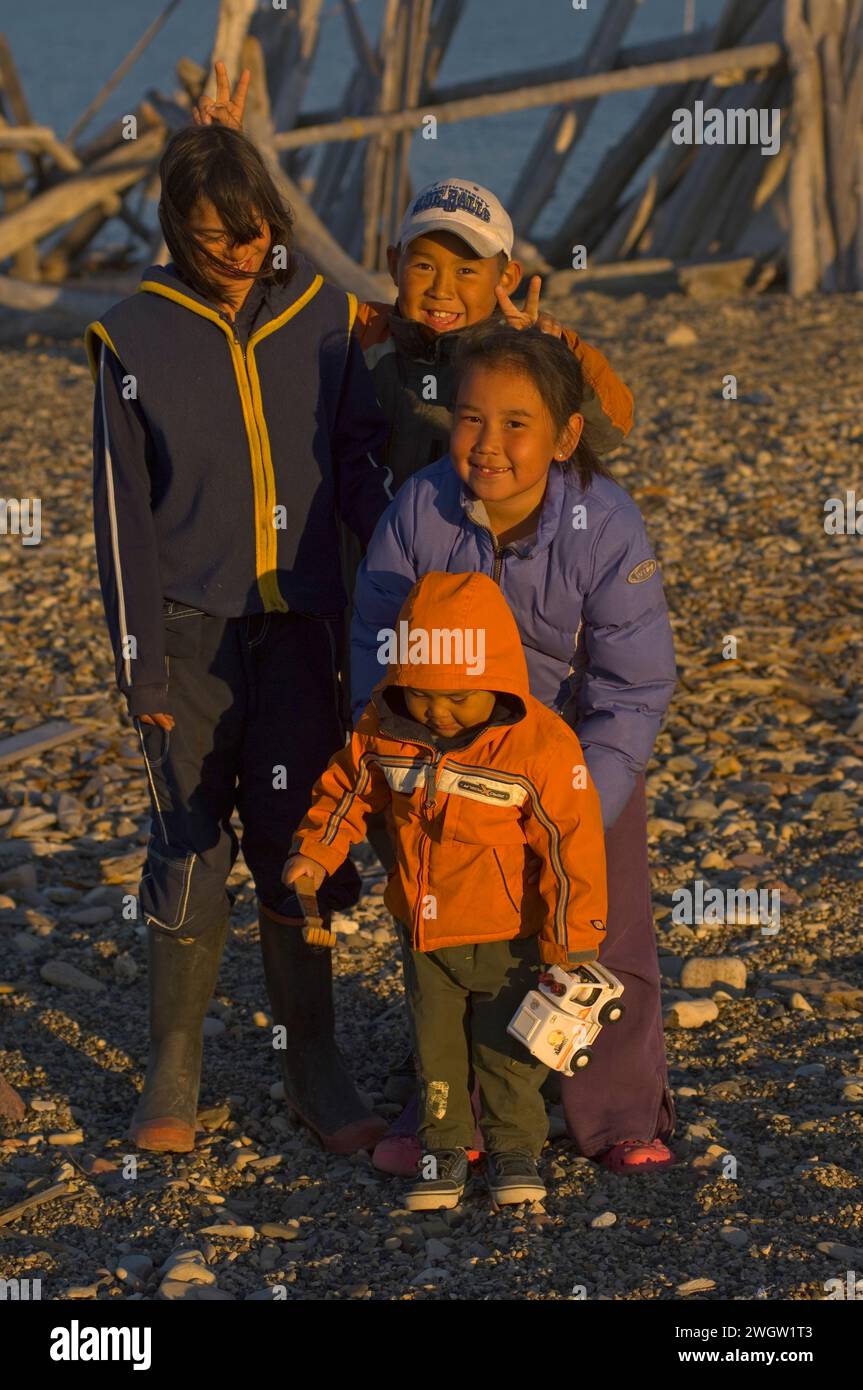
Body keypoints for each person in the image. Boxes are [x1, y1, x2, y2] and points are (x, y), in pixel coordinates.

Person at [85, 124, 393, 1156]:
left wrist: (397, 555)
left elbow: (357, 456)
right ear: (177, 228)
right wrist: (140, 665)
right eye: (217, 237)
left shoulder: (323, 312)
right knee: (189, 845)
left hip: (306, 623)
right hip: (187, 631)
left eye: (256, 231)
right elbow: (120, 512)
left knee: (300, 841)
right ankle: (172, 1071)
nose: (242, 253)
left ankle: (316, 1062)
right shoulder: (131, 335)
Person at [351, 325, 679, 1177]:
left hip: (573, 765)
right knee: (449, 949)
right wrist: (397, 775)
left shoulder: (602, 523)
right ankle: (447, 1112)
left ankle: (616, 1112)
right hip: (444, 771)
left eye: (517, 424)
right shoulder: (419, 509)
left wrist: (577, 803)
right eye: (469, 419)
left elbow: (632, 688)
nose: (487, 445)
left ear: (566, 435)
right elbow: (374, 649)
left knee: (601, 934)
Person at [284, 570, 608, 1209]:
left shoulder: (540, 747)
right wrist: (314, 854)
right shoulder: (386, 728)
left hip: (512, 937)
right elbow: (346, 791)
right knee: (435, 1055)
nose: (437, 711)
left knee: (508, 1053)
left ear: (497, 680)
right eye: (421, 694)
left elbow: (572, 850)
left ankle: (516, 1148)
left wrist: (572, 940)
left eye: (458, 696)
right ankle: (444, 1147)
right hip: (426, 936)